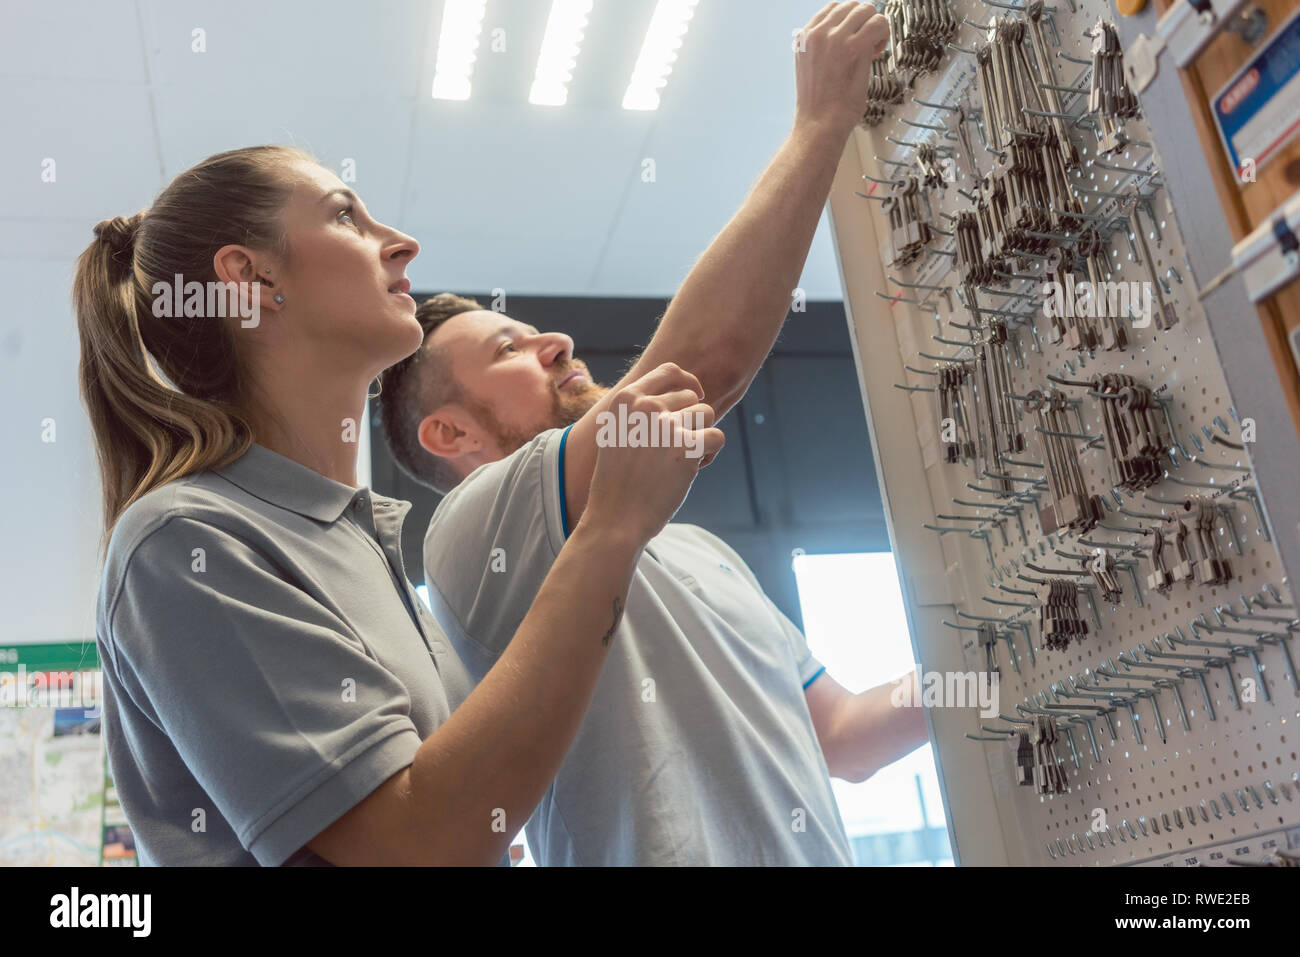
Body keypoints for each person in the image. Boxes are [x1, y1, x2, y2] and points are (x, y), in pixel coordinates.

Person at [379, 2, 928, 866]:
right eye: (507, 349)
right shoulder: (468, 541)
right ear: (450, 431)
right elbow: (703, 367)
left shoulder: (707, 554)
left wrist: (987, 662)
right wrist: (823, 122)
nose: (552, 340)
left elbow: (846, 736)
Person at [74, 144, 722, 866]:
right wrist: (610, 531)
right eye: (346, 214)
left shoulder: (360, 541)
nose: (403, 242)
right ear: (249, 276)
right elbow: (416, 845)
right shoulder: (183, 540)